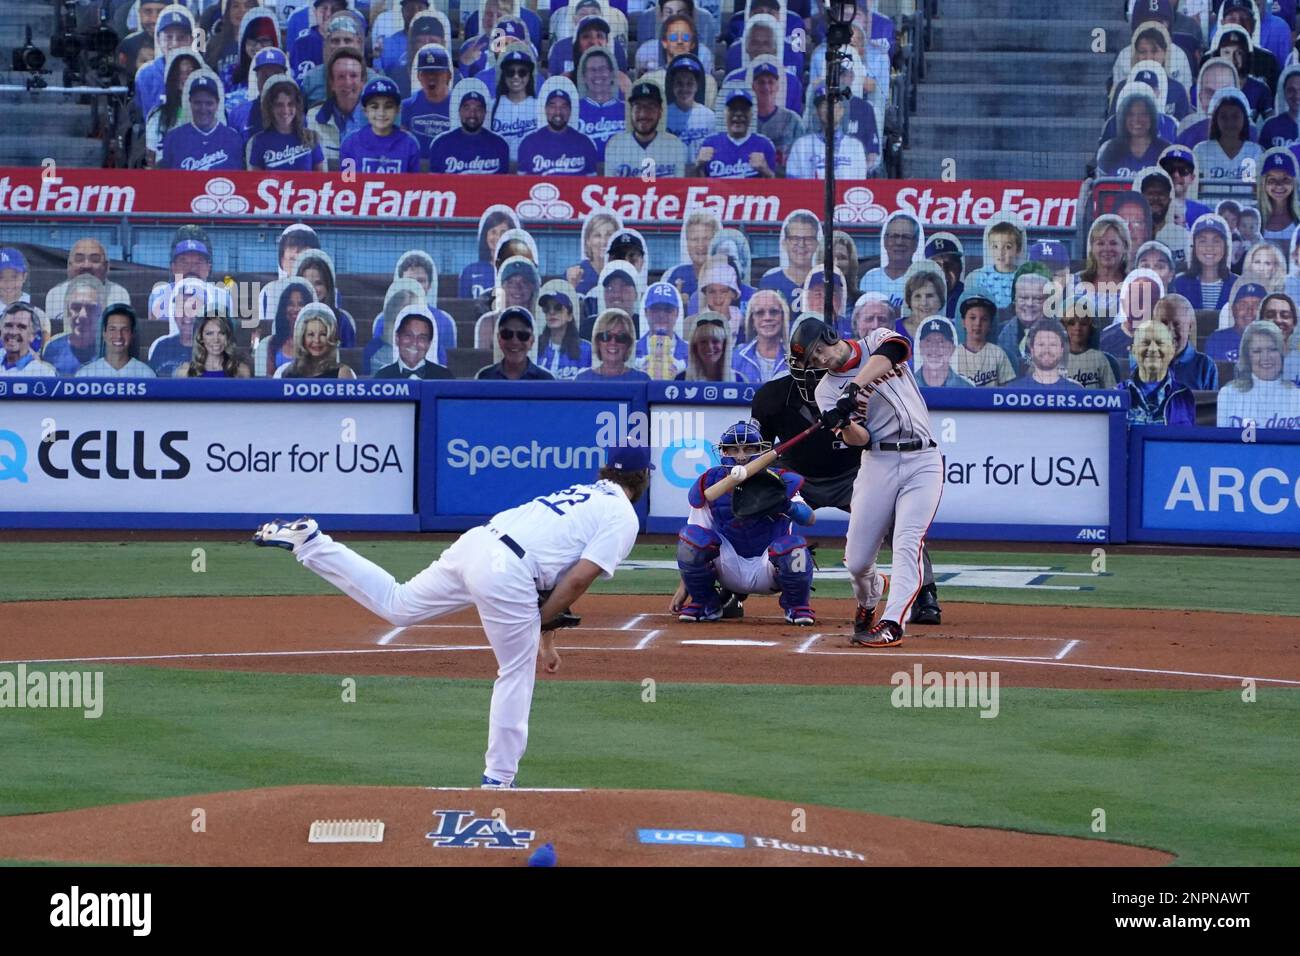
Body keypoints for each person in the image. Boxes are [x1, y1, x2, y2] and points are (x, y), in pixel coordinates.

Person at [252, 444, 654, 789]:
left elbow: (559, 576)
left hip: (478, 543)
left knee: (398, 604)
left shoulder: (582, 493)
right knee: (515, 670)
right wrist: (541, 621)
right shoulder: (622, 516)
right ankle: (498, 780)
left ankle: (312, 544)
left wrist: (546, 632)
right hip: (508, 569)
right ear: (643, 479)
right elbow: (579, 578)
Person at [795, 317, 943, 647]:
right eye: (813, 360)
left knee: (907, 542)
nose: (820, 360)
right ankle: (869, 599)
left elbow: (895, 350)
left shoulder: (875, 339)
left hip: (924, 460)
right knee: (859, 561)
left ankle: (893, 623)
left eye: (819, 350)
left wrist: (854, 388)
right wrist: (842, 421)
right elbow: (859, 440)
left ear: (831, 336)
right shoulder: (825, 391)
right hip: (879, 462)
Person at [669, 420, 817, 625]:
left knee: (794, 547)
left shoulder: (780, 480)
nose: (741, 456)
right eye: (733, 449)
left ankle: (797, 606)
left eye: (749, 448)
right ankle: (705, 603)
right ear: (723, 452)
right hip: (728, 566)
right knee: (691, 537)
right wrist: (684, 587)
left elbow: (809, 518)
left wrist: (785, 505)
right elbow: (696, 534)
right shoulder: (710, 482)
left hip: (769, 568)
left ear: (761, 451)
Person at [1216, 319, 1300, 427]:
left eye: (1272, 349)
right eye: (1257, 351)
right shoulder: (1228, 394)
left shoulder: (1297, 397)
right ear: (1247, 357)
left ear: (1281, 353)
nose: (1265, 357)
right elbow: (1224, 442)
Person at [160, 71, 246, 170]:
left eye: (209, 103)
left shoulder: (233, 138)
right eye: (197, 103)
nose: (203, 109)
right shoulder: (173, 138)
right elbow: (166, 181)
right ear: (190, 103)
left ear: (217, 104)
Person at [517, 77, 600, 175]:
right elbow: (521, 186)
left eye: (563, 106)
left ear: (570, 111)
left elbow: (592, 183)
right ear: (546, 109)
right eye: (553, 106)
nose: (558, 112)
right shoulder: (529, 143)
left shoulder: (585, 143)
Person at [604, 79, 686, 177]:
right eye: (638, 107)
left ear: (660, 112)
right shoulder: (615, 144)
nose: (643, 114)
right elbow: (608, 188)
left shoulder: (674, 145)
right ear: (631, 111)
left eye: (650, 107)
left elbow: (680, 189)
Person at [339, 76, 423, 172]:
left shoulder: (410, 143)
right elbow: (346, 183)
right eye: (374, 107)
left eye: (388, 106)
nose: (381, 113)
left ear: (398, 110)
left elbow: (414, 184)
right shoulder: (350, 143)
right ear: (365, 111)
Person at [428, 79, 511, 174]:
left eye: (478, 109)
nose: (472, 113)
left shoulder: (499, 144)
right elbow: (434, 185)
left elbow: (504, 186)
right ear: (459, 112)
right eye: (467, 108)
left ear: (485, 113)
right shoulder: (440, 143)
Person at [246, 76, 328, 170]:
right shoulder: (259, 141)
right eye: (279, 105)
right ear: (270, 108)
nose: (285, 110)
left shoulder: (311, 137)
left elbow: (321, 179)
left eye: (290, 104)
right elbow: (254, 181)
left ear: (297, 106)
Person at [1123, 320, 1196, 424]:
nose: (1153, 349)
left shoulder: (1184, 396)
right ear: (1133, 350)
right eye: (1145, 342)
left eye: (1160, 343)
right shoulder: (1118, 394)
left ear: (1172, 349)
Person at [308, 48, 368, 169]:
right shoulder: (312, 118)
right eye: (341, 76)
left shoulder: (377, 119)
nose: (347, 82)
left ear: (362, 82)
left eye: (353, 76)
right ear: (332, 83)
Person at [694, 89, 776, 178]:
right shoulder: (709, 143)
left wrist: (766, 170)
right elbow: (695, 185)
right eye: (733, 109)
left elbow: (778, 188)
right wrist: (698, 165)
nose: (738, 114)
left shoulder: (764, 144)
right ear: (725, 113)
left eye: (744, 109)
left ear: (751, 114)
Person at [758, 209, 821, 315]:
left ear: (816, 244)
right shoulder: (769, 283)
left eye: (808, 239)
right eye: (795, 238)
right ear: (785, 243)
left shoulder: (824, 282)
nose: (801, 244)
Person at [1097, 87, 1173, 176]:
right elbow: (1101, 186)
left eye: (1143, 114)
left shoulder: (1166, 151)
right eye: (1131, 115)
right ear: (1123, 119)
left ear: (1152, 118)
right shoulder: (1109, 150)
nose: (1137, 120)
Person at [859, 211, 925, 313]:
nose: (899, 242)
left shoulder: (923, 279)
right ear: (885, 241)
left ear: (916, 243)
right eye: (894, 236)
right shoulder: (870, 278)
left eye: (906, 237)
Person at [1071, 214, 1131, 324]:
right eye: (1100, 243)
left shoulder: (1133, 283)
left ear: (1125, 247)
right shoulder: (1075, 282)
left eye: (1113, 243)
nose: (1107, 249)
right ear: (1092, 248)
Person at [1192, 87, 1261, 181]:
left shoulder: (1255, 152)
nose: (1230, 122)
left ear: (1244, 119)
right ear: (1216, 120)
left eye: (1235, 116)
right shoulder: (1201, 151)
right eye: (1224, 117)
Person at [1170, 213, 1237, 309]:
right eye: (1202, 241)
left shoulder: (1237, 285)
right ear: (1194, 247)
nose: (1209, 247)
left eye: (1216, 241)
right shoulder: (1179, 284)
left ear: (1225, 247)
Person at [1155, 292, 1219, 390]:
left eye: (1177, 324)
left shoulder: (1205, 366)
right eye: (1163, 323)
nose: (1169, 331)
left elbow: (1210, 404)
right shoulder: (1144, 361)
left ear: (1190, 327)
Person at [43, 275, 105, 375]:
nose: (82, 315)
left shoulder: (109, 348)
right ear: (67, 311)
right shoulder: (52, 348)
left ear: (100, 312)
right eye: (76, 307)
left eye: (90, 308)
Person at [952, 290, 1016, 387]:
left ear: (990, 325)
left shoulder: (998, 354)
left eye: (984, 319)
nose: (978, 323)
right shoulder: (953, 355)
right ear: (963, 322)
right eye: (972, 318)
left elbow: (1007, 391)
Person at [400, 43, 453, 157]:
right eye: (426, 73)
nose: (431, 77)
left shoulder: (458, 106)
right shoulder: (407, 106)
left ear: (449, 75)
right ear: (419, 76)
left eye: (436, 72)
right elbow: (402, 146)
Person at [1100, 268, 1166, 360]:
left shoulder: (1167, 340)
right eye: (1138, 302)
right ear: (1125, 302)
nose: (1143, 310)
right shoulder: (1106, 338)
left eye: (1150, 303)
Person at [277, 303, 356, 379]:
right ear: (302, 338)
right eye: (311, 334)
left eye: (323, 334)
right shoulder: (288, 373)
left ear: (331, 337)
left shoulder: (343, 373)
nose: (317, 340)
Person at [76, 304, 156, 378]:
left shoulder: (146, 374)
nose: (118, 336)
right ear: (104, 334)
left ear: (132, 334)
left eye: (125, 330)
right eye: (112, 329)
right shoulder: (85, 374)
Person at [296, 249, 355, 348]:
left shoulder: (342, 321)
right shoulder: (291, 317)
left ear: (328, 287)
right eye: (307, 283)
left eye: (318, 283)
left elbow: (349, 355)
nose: (312, 288)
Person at [490, 45, 539, 166]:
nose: (516, 77)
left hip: (530, 168)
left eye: (522, 72)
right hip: (499, 169)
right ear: (504, 76)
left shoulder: (540, 106)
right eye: (510, 72)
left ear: (529, 76)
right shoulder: (491, 106)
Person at [574, 46, 625, 161]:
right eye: (592, 70)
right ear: (584, 77)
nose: (598, 74)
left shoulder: (628, 110)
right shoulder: (573, 110)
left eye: (602, 69)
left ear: (612, 74)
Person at [476, 307, 554, 380]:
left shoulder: (545, 379)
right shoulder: (485, 377)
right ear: (499, 339)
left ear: (532, 341)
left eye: (523, 335)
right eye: (507, 334)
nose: (515, 341)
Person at [374, 308, 453, 379]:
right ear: (397, 338)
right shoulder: (382, 376)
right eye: (408, 336)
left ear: (429, 344)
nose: (414, 343)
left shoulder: (444, 376)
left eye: (422, 338)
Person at [535, 281, 591, 381]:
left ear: (569, 316)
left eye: (558, 307)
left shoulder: (587, 349)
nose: (551, 312)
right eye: (547, 309)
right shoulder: (535, 347)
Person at [260, 278, 316, 377]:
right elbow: (269, 376)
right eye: (290, 304)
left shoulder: (316, 341)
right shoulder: (273, 343)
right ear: (284, 309)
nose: (295, 309)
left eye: (301, 304)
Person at [731, 289, 789, 384]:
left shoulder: (797, 357)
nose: (767, 317)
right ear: (752, 320)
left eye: (773, 312)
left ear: (783, 317)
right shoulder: (735, 356)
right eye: (760, 313)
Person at [663, 53, 716, 157]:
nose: (684, 89)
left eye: (690, 84)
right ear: (672, 86)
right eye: (679, 83)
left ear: (697, 87)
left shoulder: (709, 116)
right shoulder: (663, 116)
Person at [633, 281, 689, 379]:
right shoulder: (630, 351)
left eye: (668, 310)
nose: (661, 315)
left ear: (677, 313)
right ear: (646, 312)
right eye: (656, 309)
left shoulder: (692, 352)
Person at [1008, 319, 1084, 390]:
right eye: (1041, 344)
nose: (1047, 350)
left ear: (1061, 350)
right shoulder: (1014, 389)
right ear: (1032, 350)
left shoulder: (1075, 390)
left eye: (1053, 345)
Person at [576, 309, 650, 381]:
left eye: (621, 337)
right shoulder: (582, 379)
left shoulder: (642, 380)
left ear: (629, 344)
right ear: (597, 342)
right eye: (606, 336)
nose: (613, 342)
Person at [662, 210, 721, 300]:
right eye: (694, 239)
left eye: (706, 239)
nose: (700, 245)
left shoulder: (727, 276)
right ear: (687, 243)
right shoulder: (677, 274)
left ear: (716, 242)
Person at [1206, 280, 1268, 361]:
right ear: (1233, 310)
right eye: (1243, 305)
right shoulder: (1217, 340)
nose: (1249, 311)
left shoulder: (1275, 341)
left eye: (1257, 305)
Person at [177, 312, 252, 378]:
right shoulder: (186, 371)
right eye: (209, 333)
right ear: (201, 338)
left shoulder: (241, 371)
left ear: (228, 337)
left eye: (221, 333)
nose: (216, 340)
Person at [675, 312, 743, 381]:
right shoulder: (680, 379)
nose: (709, 347)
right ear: (695, 347)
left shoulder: (739, 380)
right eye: (703, 342)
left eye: (715, 341)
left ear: (724, 346)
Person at [0, 303, 58, 377]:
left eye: (21, 327)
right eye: (8, 326)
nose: (13, 332)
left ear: (32, 336)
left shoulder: (44, 373)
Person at [925, 233, 964, 321]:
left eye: (949, 264)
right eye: (937, 266)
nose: (943, 271)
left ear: (959, 267)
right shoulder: (918, 298)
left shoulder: (967, 296)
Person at [0, 248, 29, 314]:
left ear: (24, 277)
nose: (8, 283)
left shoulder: (33, 304)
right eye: (1, 277)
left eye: (14, 277)